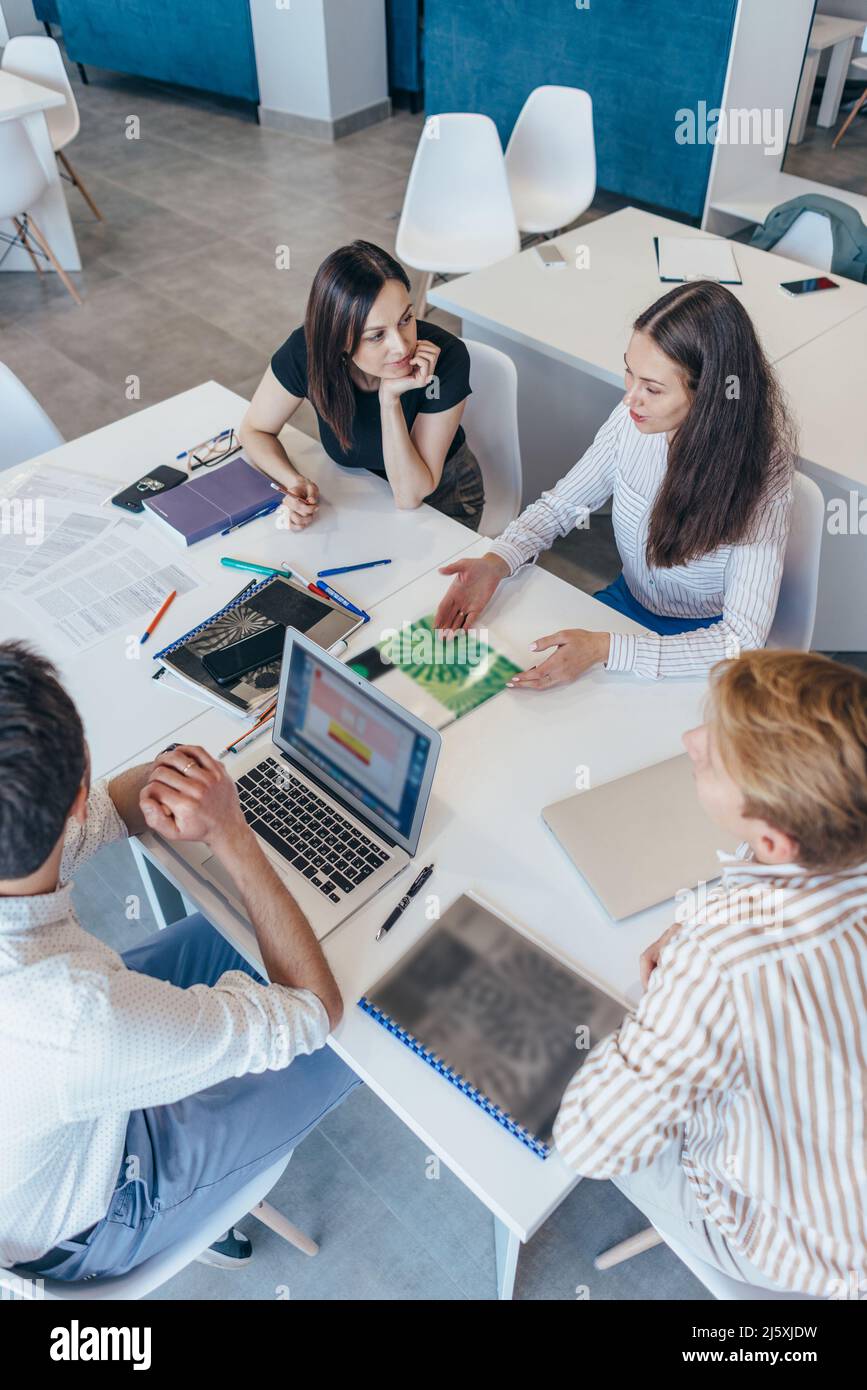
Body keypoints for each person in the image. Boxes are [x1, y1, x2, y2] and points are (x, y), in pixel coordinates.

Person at [0, 642, 360, 1282]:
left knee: (229, 937)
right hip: (96, 1203)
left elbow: (110, 808)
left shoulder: (31, 867)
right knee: (370, 1025)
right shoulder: (79, 1015)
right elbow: (314, 1012)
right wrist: (232, 835)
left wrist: (185, 775)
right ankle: (192, 1209)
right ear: (77, 782)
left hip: (55, 1101)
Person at [554, 649, 867, 1297]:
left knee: (547, 1051)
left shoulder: (726, 957)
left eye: (714, 755)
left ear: (777, 844)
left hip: (795, 1246)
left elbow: (588, 1146)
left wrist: (675, 1003)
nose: (689, 741)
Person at [434, 280, 795, 685]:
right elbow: (562, 506)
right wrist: (496, 562)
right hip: (626, 603)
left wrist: (607, 649)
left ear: (709, 394)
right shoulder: (632, 420)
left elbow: (740, 640)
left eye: (653, 389)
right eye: (630, 372)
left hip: (702, 640)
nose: (630, 399)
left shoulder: (763, 474)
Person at [239, 240, 485, 530]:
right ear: (339, 339)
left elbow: (409, 495)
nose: (401, 346)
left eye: (406, 318)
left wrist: (389, 400)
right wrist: (294, 481)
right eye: (376, 335)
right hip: (354, 492)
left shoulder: (446, 358)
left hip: (442, 501)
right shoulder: (308, 352)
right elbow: (254, 430)